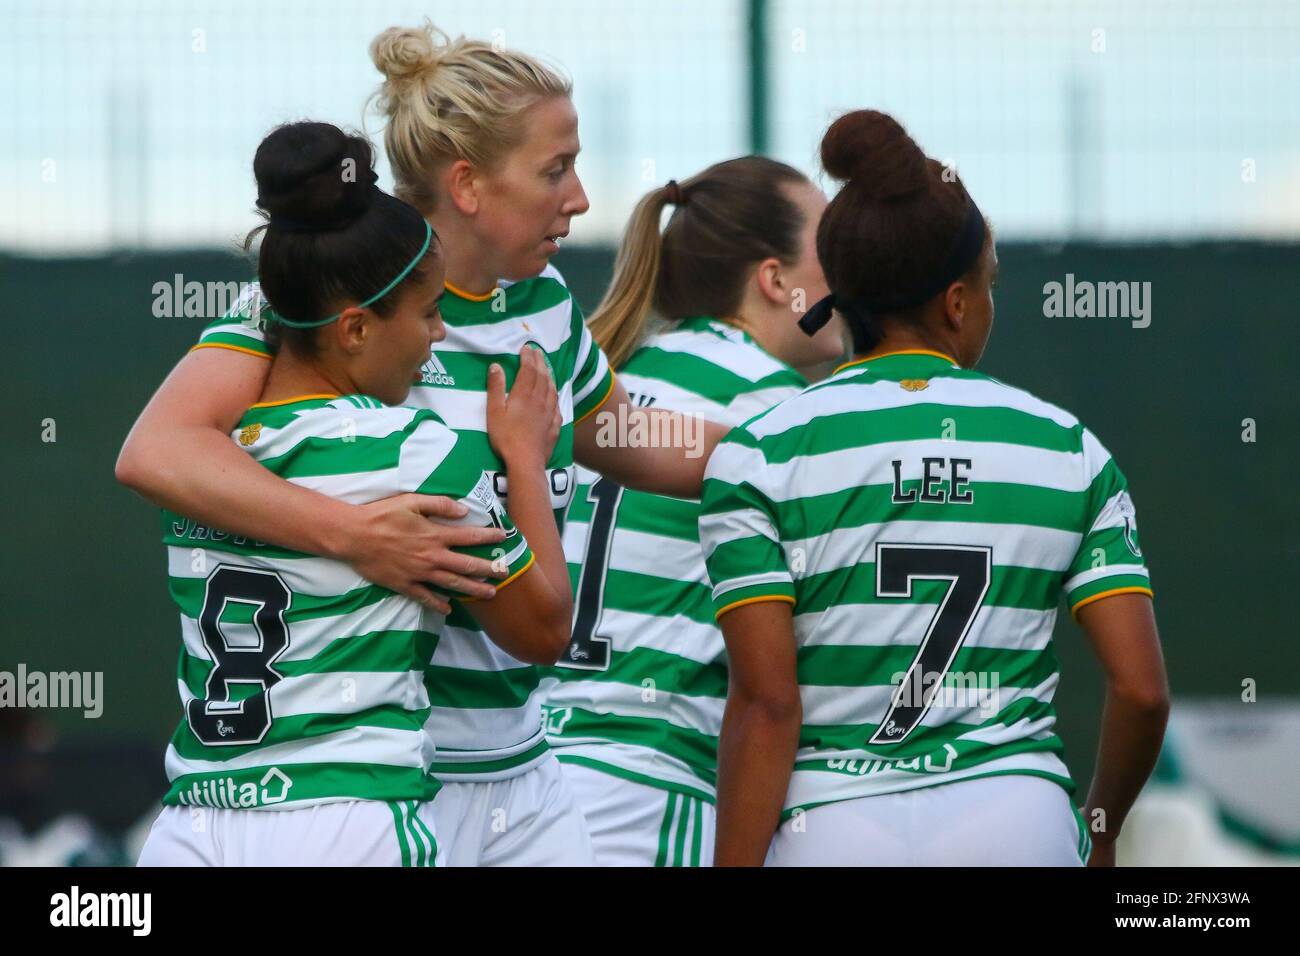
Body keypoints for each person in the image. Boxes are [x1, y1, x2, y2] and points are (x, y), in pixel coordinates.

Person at [116, 21, 724, 866]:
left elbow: (620, 432)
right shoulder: (333, 292)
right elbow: (157, 452)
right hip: (388, 778)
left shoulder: (542, 305)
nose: (580, 197)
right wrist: (354, 535)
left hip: (521, 764)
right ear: (468, 183)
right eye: (555, 169)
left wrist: (790, 454)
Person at [699, 109, 1169, 866]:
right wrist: (1103, 829)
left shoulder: (758, 455)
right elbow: (1143, 693)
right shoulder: (1069, 450)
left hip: (833, 827)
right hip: (1021, 824)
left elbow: (765, 706)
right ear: (956, 302)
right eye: (989, 283)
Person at [136, 122, 572, 866]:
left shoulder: (209, 469)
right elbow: (541, 630)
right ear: (356, 330)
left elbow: (155, 451)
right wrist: (525, 462)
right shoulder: (414, 452)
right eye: (429, 312)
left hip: (194, 824)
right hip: (349, 822)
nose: (439, 336)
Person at [542, 157, 844, 865]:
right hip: (654, 789)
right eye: (831, 254)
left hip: (538, 780)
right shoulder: (783, 416)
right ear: (774, 280)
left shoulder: (604, 385)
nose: (849, 277)